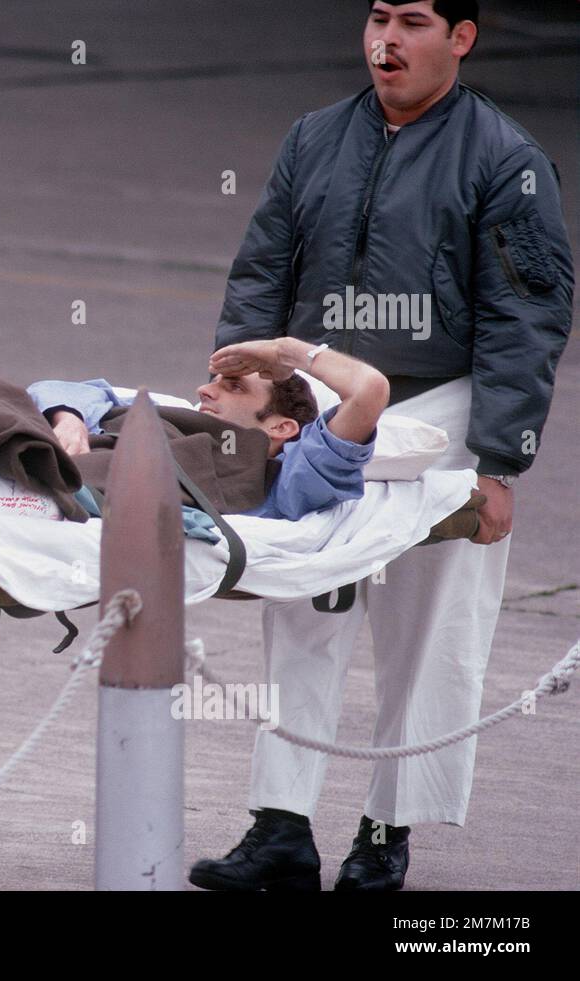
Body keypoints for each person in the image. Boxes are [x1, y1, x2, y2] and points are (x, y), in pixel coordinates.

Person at [191, 0, 573, 890]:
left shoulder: (507, 160)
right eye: (376, 17)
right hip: (325, 413)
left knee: (431, 631)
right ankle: (280, 827)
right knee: (301, 608)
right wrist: (236, 406)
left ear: (462, 38)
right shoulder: (314, 137)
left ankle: (385, 835)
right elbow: (262, 268)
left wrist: (501, 463)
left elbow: (528, 316)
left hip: (447, 414)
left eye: (412, 22)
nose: (385, 40)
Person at [29, 336, 390, 521]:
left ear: (281, 427)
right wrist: (68, 418)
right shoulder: (170, 413)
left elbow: (369, 390)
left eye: (234, 386)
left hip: (65, 489)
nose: (204, 390)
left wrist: (286, 352)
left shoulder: (290, 480)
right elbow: (55, 390)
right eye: (213, 381)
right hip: (43, 462)